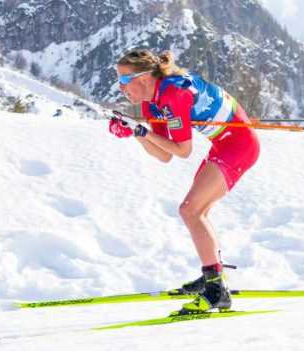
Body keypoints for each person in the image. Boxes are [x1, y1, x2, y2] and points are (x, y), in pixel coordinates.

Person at [108, 49, 260, 314]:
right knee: (196, 211)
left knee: (190, 210)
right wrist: (136, 132)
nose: (120, 88)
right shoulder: (150, 102)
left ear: (143, 78)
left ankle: (216, 290)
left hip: (239, 144)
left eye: (123, 81)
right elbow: (164, 155)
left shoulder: (173, 95)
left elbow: (182, 150)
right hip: (223, 145)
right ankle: (213, 275)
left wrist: (142, 131)